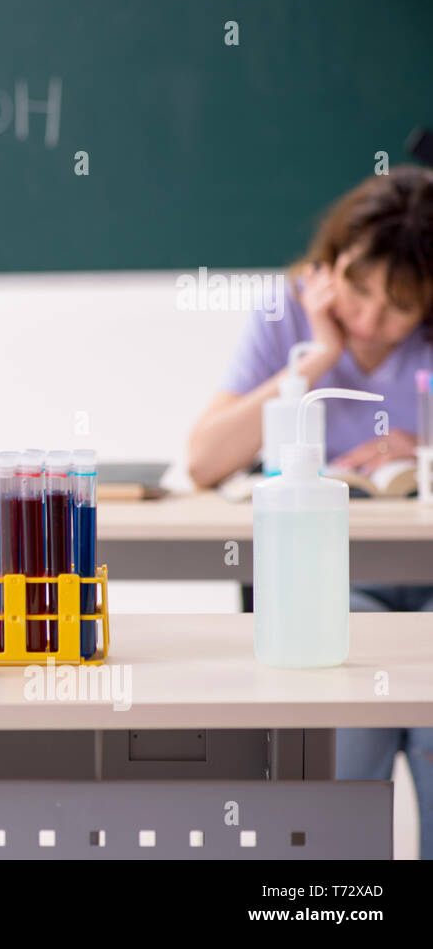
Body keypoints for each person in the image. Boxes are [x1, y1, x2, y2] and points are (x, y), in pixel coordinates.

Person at [188, 165, 433, 858]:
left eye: (398, 306)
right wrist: (315, 361)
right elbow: (204, 458)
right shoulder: (286, 314)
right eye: (357, 288)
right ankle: (339, 896)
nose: (368, 318)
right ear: (334, 258)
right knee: (353, 707)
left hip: (428, 576)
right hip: (337, 579)